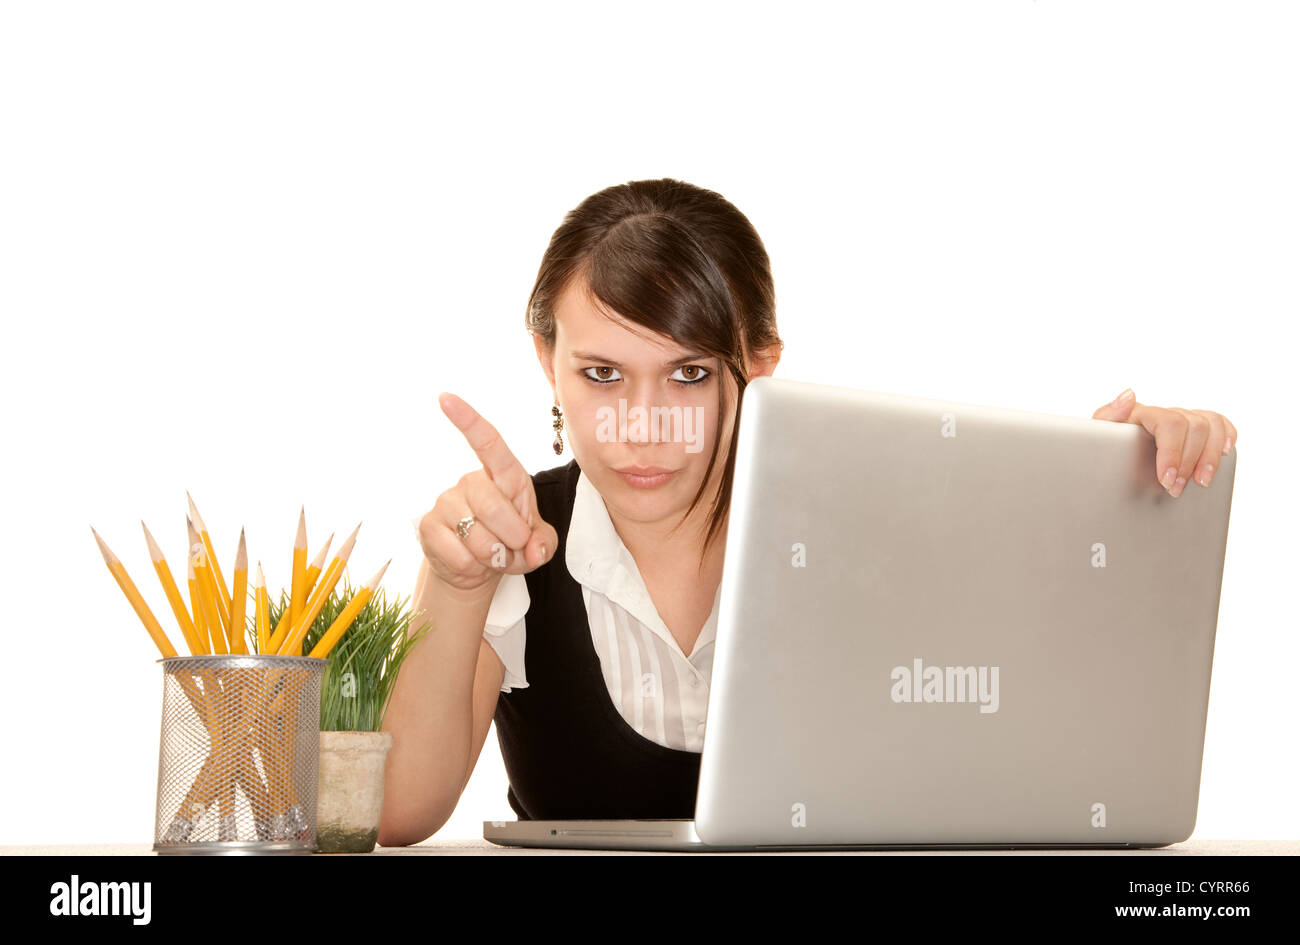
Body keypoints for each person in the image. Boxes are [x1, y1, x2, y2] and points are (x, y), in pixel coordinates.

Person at [377, 177, 1237, 846]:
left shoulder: (856, 525)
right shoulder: (505, 536)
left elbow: (1034, 741)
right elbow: (399, 813)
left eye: (690, 374)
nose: (642, 425)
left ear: (759, 363)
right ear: (547, 358)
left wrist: (1109, 497)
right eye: (602, 375)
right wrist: (456, 584)